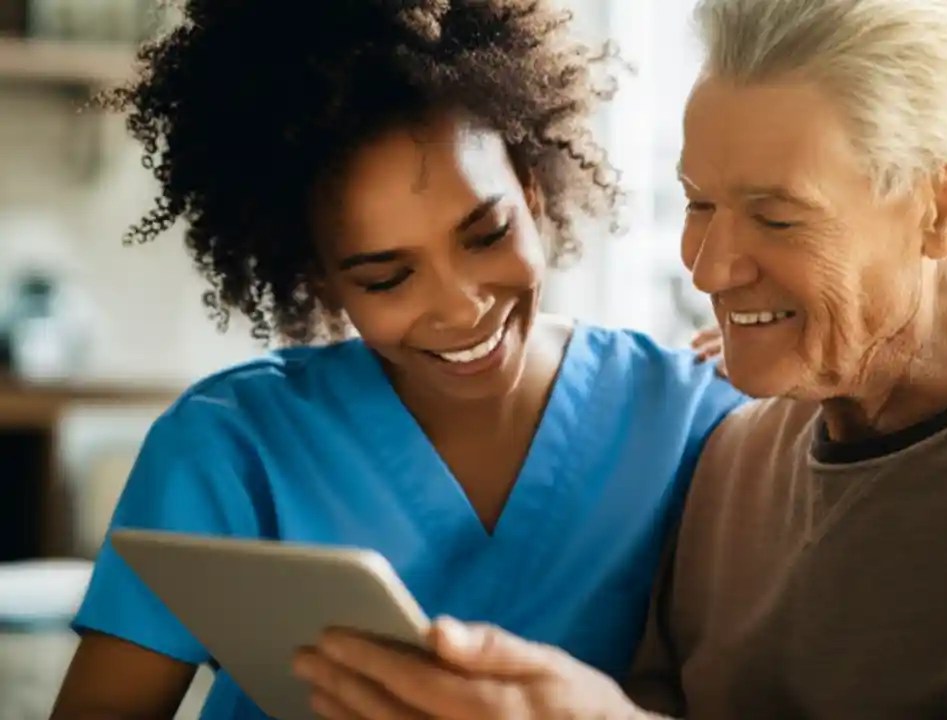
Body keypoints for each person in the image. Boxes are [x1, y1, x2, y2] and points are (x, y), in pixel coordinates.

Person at [289, 0, 947, 718]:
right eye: (699, 203)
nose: (708, 266)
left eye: (777, 216)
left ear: (945, 206)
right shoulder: (732, 455)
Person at [50, 1, 745, 718]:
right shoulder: (228, 446)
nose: (460, 308)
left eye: (487, 234)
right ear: (320, 278)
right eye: (386, 278)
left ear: (532, 192)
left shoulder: (695, 422)